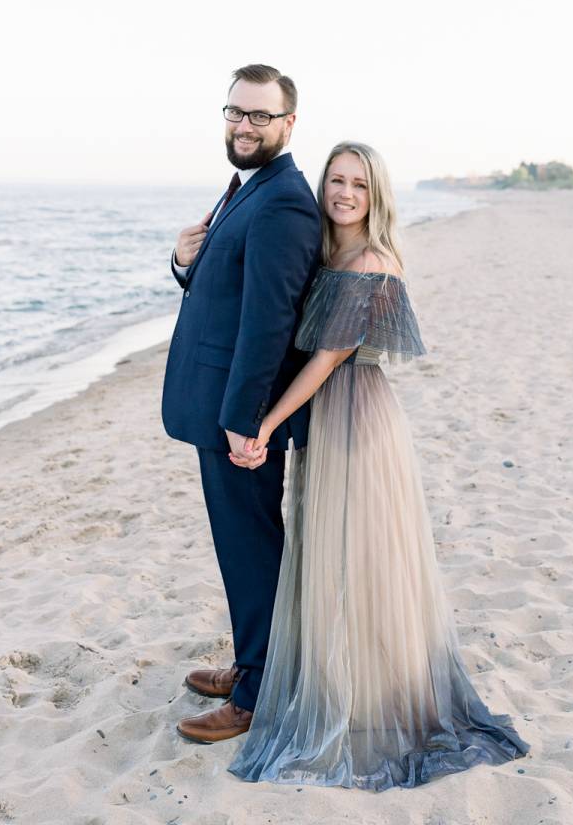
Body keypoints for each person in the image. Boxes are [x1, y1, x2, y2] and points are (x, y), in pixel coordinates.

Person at [226, 141, 531, 791]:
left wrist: (266, 424)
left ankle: (366, 697)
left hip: (356, 417)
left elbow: (327, 359)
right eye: (336, 180)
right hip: (329, 418)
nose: (344, 194)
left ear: (376, 196)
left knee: (357, 555)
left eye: (359, 185)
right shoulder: (328, 252)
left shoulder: (370, 260)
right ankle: (339, 678)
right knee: (331, 553)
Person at [162, 64, 322, 743]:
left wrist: (245, 421)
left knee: (251, 547)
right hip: (219, 405)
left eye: (260, 115)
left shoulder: (284, 201)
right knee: (240, 546)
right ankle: (253, 661)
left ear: (289, 123)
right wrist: (182, 260)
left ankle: (258, 692)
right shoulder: (246, 187)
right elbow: (223, 289)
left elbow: (268, 323)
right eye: (236, 112)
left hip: (239, 418)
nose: (245, 126)